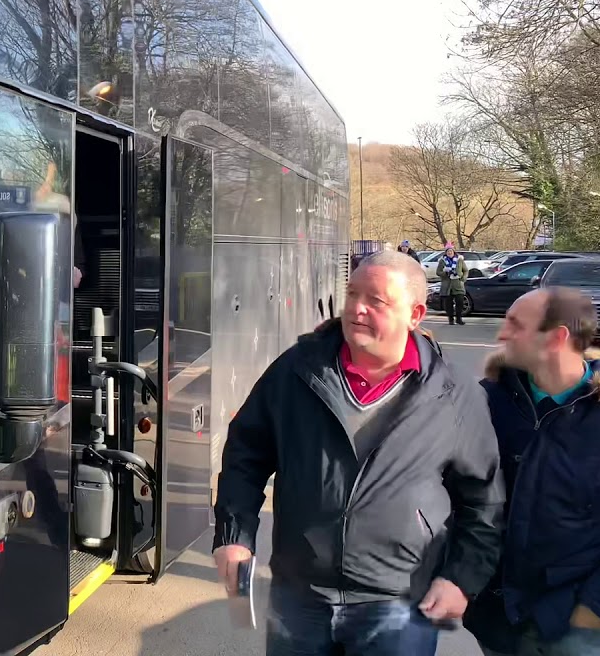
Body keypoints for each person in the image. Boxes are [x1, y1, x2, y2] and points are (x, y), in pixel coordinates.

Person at [212, 249, 504, 656]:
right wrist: (234, 535)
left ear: (415, 314)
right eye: (352, 294)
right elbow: (245, 453)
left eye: (376, 301)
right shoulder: (298, 371)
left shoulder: (453, 394)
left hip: (399, 603)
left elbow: (484, 499)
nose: (357, 309)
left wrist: (460, 579)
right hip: (300, 596)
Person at [465, 287, 600, 656]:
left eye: (515, 324)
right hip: (496, 620)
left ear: (557, 337)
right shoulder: (484, 402)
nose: (501, 334)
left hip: (577, 627)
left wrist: (592, 608)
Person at [437, 244, 468, 326]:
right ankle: (451, 319)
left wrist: (463, 279)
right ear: (446, 252)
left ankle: (459, 319)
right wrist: (445, 272)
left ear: (454, 251)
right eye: (448, 251)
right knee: (448, 304)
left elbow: (465, 271)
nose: (449, 252)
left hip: (458, 284)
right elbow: (438, 272)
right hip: (447, 285)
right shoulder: (442, 261)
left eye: (451, 251)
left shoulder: (459, 260)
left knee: (460, 302)